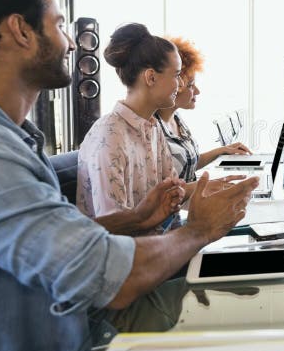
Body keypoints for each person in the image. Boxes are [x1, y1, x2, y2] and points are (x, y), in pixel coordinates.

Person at [0, 0, 258, 351]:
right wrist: (200, 228)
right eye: (60, 25)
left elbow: (61, 237)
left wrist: (137, 217)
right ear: (20, 31)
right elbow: (108, 276)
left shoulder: (14, 141)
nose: (70, 43)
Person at [76, 23, 211, 229]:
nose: (180, 85)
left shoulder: (153, 127)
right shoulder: (109, 136)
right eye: (176, 75)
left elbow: (172, 198)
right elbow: (114, 229)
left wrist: (210, 190)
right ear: (151, 77)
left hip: (162, 245)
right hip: (131, 257)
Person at [155, 36, 251, 183]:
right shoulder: (153, 129)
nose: (197, 91)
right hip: (182, 204)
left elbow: (189, 164)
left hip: (192, 200)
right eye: (191, 85)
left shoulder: (176, 118)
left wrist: (222, 150)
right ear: (174, 85)